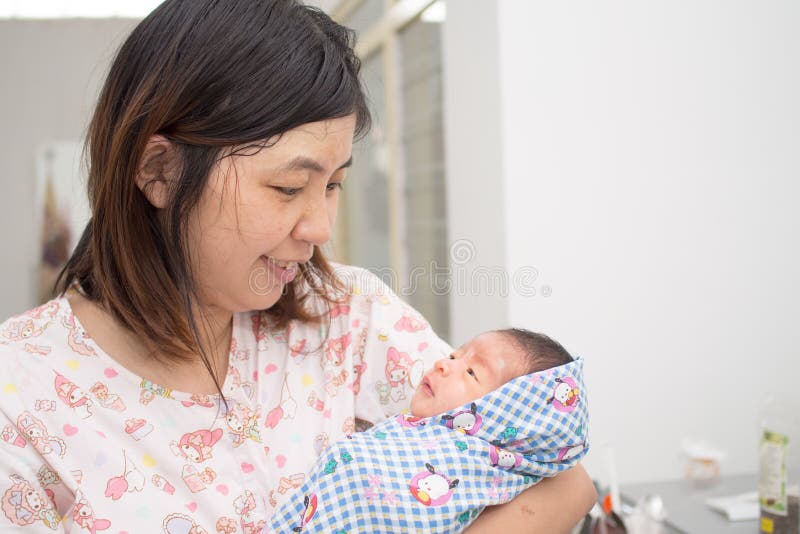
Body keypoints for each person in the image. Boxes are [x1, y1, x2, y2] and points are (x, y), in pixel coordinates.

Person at [0, 1, 596, 532]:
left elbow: (564, 482)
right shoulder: (21, 396)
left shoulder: (348, 317)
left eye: (332, 185)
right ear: (160, 172)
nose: (320, 228)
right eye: (288, 187)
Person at [267, 329, 589, 532]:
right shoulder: (414, 431)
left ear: (501, 417)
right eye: (454, 355)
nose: (443, 364)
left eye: (472, 372)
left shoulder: (479, 464)